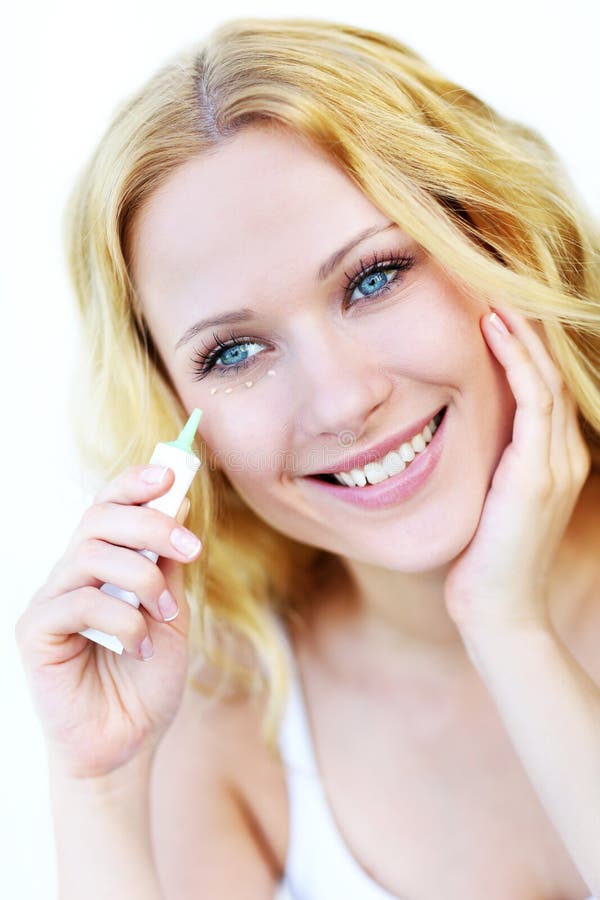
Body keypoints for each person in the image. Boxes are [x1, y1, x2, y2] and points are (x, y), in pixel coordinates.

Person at [15, 16, 600, 900]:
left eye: (373, 278)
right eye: (234, 354)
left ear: (493, 238)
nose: (341, 400)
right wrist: (96, 789)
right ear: (177, 412)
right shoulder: (234, 720)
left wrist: (509, 630)